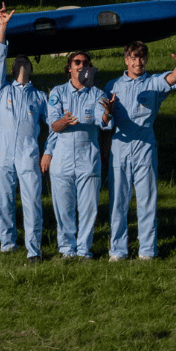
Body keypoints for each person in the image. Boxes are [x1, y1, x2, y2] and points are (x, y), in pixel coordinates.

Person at [105, 40, 176, 261]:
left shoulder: (153, 83)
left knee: (147, 200)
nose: (138, 62)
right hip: (120, 147)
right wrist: (107, 112)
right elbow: (105, 119)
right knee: (118, 201)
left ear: (146, 60)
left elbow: (170, 79)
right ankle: (118, 251)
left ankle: (147, 251)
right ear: (126, 60)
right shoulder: (113, 86)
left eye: (141, 57)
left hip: (145, 146)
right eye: (133, 57)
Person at [0, 8, 46, 260]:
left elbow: (54, 126)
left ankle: (33, 250)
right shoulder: (1, 91)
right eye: (17, 62)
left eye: (26, 61)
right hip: (3, 155)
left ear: (32, 70)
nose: (21, 63)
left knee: (32, 202)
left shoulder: (40, 96)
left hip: (28, 154)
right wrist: (3, 27)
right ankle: (7, 244)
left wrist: (49, 151)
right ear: (12, 70)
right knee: (4, 203)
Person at [45, 51, 112, 259]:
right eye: (77, 62)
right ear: (69, 67)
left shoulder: (97, 94)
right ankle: (66, 249)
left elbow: (105, 124)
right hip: (62, 158)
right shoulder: (58, 92)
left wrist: (107, 113)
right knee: (64, 209)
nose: (81, 65)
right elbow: (54, 126)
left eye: (85, 63)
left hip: (88, 157)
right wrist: (65, 121)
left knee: (88, 209)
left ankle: (84, 250)